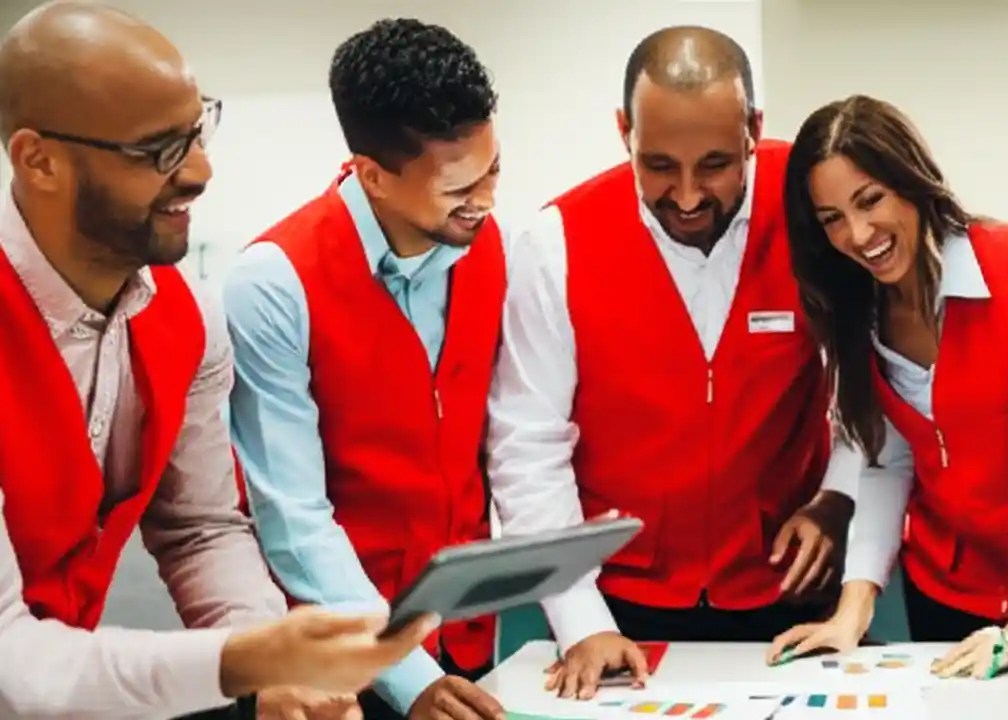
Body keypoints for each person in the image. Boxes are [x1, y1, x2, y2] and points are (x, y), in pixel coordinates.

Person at [0, 3, 435, 719]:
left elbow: (198, 526)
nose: (201, 171)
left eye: (197, 132)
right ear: (38, 161)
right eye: (158, 151)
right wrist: (247, 659)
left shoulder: (189, 318)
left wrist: (277, 666)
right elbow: (11, 660)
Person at [487, 25, 856, 700]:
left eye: (716, 164)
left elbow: (880, 371)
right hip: (623, 606)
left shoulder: (812, 202)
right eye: (658, 165)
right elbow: (527, 445)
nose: (687, 197)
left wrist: (840, 492)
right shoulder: (554, 243)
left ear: (754, 129)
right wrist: (581, 623)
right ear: (624, 129)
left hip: (789, 592)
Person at [767, 93, 1008, 680]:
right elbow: (889, 464)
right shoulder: (854, 310)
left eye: (871, 200)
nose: (859, 234)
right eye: (832, 219)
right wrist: (852, 610)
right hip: (949, 595)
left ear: (912, 181)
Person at [224, 17, 506, 720]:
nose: (486, 201)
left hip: (474, 648)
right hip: (341, 673)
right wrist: (406, 677)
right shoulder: (274, 281)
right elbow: (292, 517)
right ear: (373, 176)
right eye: (457, 187)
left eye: (493, 169)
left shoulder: (488, 244)